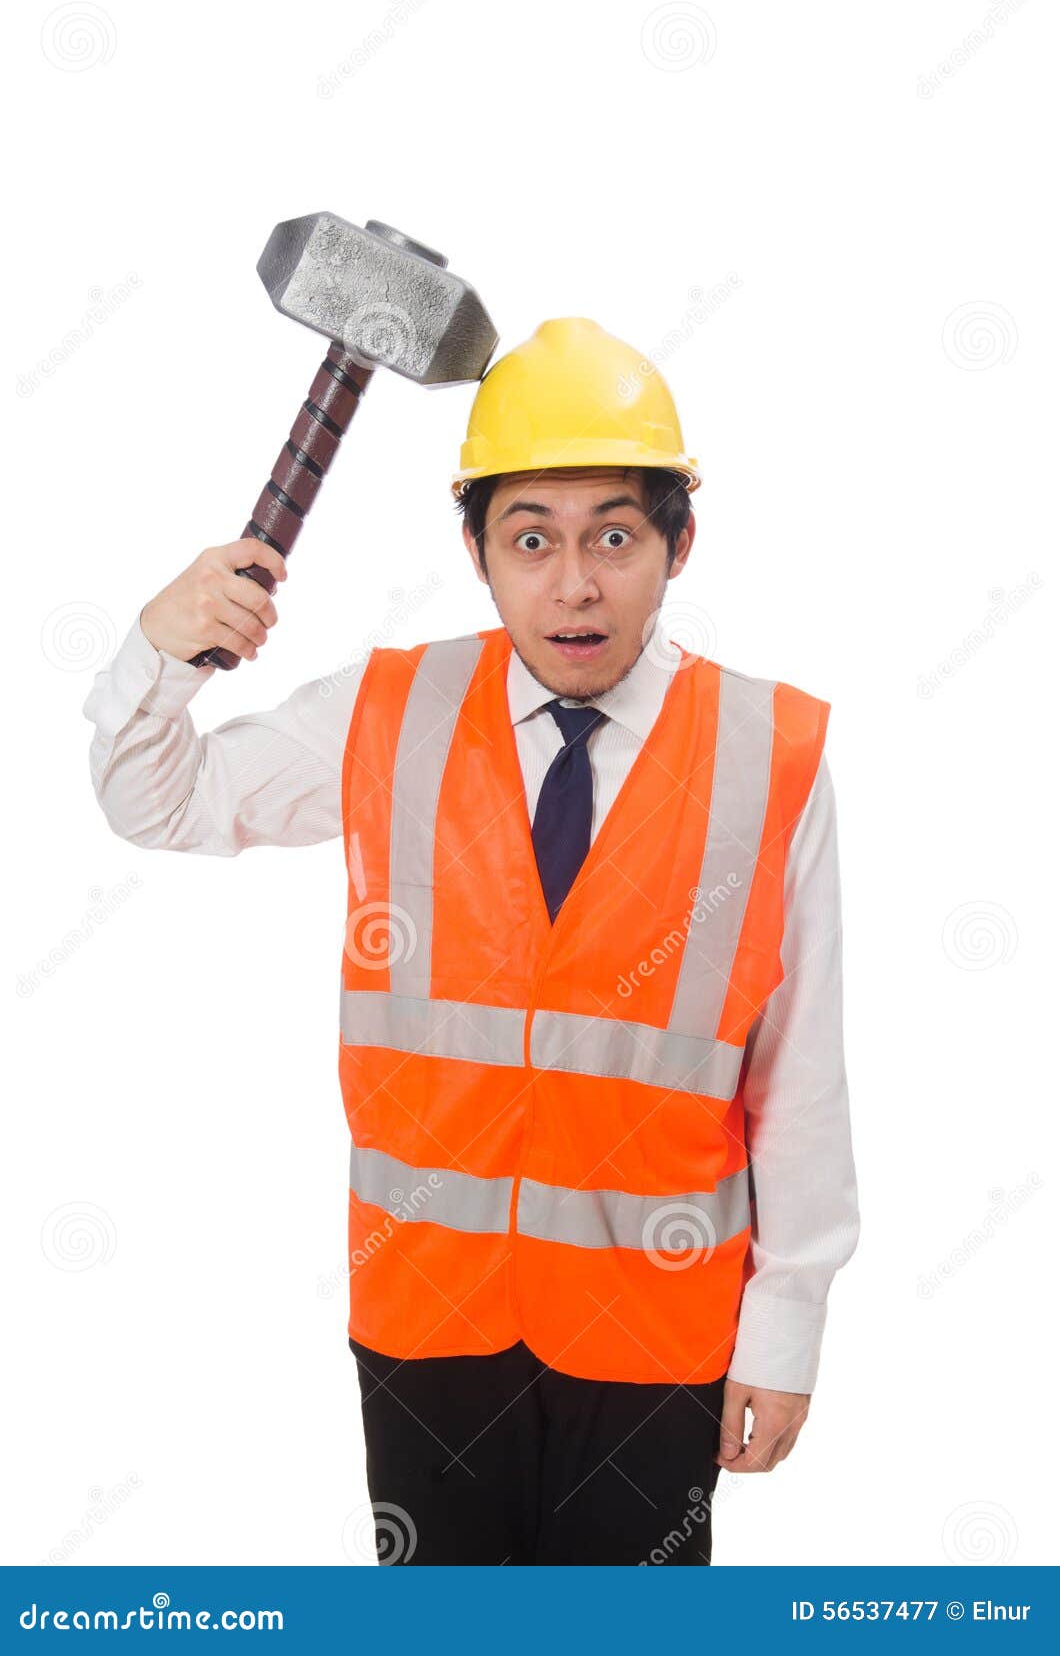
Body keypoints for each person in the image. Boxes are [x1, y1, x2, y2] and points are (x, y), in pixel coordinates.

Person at [83, 316, 859, 1566]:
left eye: (615, 534)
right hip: (425, 1323)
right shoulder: (388, 712)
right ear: (478, 553)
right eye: (531, 539)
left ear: (679, 545)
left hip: (656, 1330)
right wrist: (162, 650)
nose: (575, 585)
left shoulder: (769, 756)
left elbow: (800, 1070)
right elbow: (155, 799)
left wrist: (787, 1324)